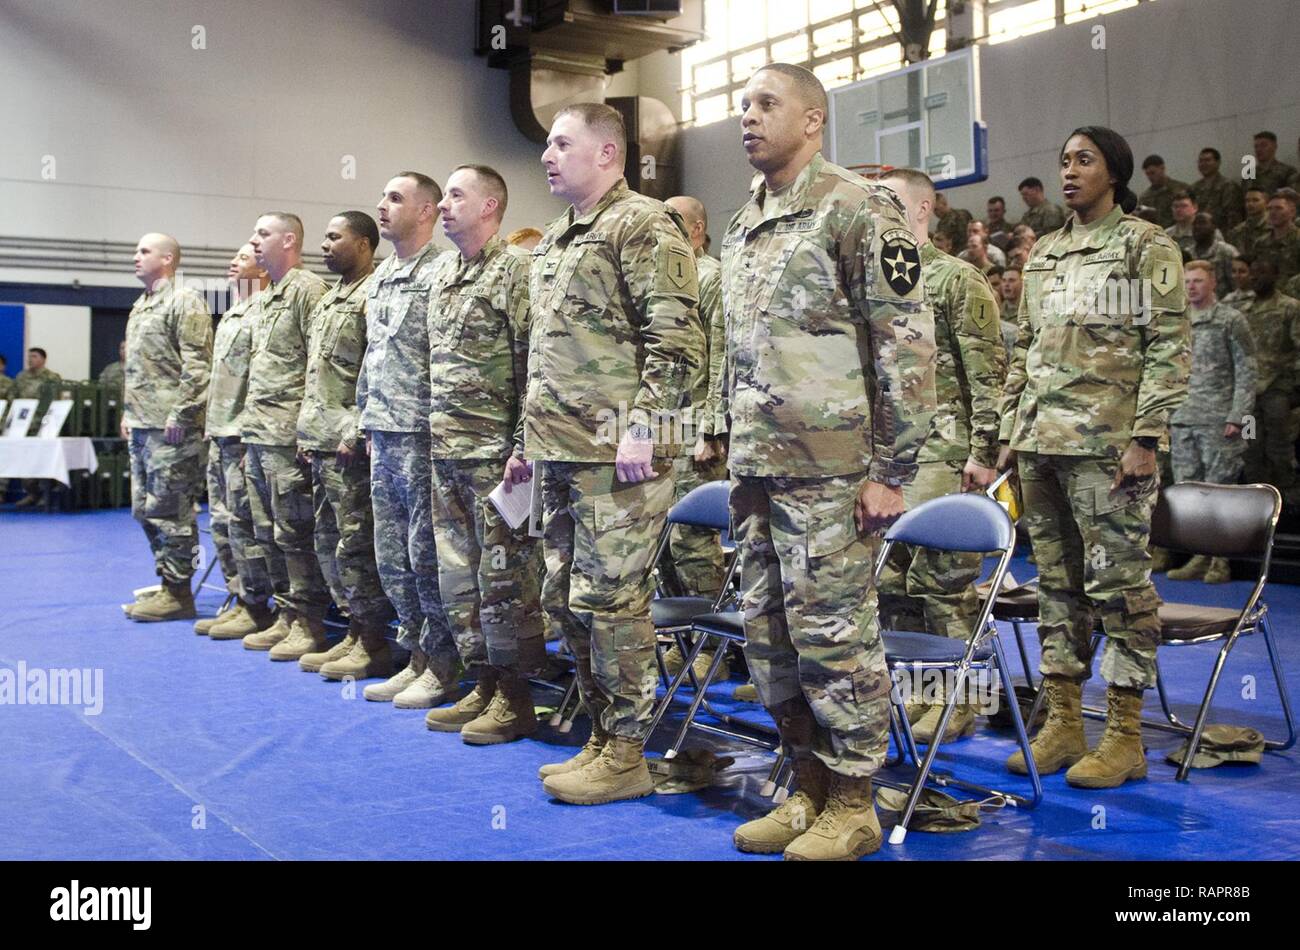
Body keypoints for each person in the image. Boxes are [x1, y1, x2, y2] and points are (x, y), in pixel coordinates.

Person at [720, 64, 936, 860]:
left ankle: (854, 802)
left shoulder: (858, 206)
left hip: (833, 470)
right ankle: (807, 785)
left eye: (766, 103)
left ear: (813, 120)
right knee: (769, 635)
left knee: (835, 639)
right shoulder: (745, 219)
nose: (748, 117)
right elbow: (739, 344)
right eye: (743, 105)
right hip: (758, 466)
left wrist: (892, 471)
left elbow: (906, 344)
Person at [508, 102, 704, 805]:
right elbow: (545, 356)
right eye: (548, 144)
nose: (547, 155)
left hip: (619, 454)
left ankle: (627, 752)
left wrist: (647, 425)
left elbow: (676, 338)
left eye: (563, 143)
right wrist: (525, 442)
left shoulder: (643, 223)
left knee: (613, 603)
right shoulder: (558, 238)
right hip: (560, 450)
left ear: (607, 154)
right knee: (567, 599)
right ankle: (600, 736)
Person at [999, 126, 1189, 789]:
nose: (1070, 171)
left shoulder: (1146, 245)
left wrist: (1147, 437)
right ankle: (1063, 722)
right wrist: (1009, 428)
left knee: (1119, 588)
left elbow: (1169, 342)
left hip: (1109, 448)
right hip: (1041, 442)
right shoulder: (1045, 251)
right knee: (1056, 584)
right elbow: (1026, 345)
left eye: (1085, 160)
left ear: (1115, 172)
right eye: (1064, 161)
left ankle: (1126, 736)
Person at [878, 167, 1006, 743]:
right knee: (894, 581)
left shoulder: (958, 280)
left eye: (890, 203)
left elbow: (988, 372)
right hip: (891, 455)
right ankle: (920, 691)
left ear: (923, 209)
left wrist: (984, 451)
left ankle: (962, 700)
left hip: (945, 451)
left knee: (942, 581)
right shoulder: (877, 284)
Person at [422, 165, 546, 743]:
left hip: (499, 459)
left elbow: (533, 363)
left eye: (456, 195)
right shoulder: (444, 273)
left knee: (504, 580)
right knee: (458, 578)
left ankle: (516, 698)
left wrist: (522, 444)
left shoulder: (516, 270)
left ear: (490, 205)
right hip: (446, 453)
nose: (443, 205)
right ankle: (484, 682)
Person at [358, 172, 461, 709]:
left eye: (395, 198)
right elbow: (373, 355)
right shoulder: (381, 276)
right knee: (392, 555)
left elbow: (449, 355)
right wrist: (366, 419)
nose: (382, 205)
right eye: (383, 196)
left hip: (423, 435)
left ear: (427, 211)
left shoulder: (444, 270)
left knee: (427, 556)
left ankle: (442, 665)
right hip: (385, 432)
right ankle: (415, 654)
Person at [294, 212, 398, 679]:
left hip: (347, 444)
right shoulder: (329, 299)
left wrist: (356, 430)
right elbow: (316, 373)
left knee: (357, 543)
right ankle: (354, 629)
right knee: (328, 541)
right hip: (320, 439)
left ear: (363, 244)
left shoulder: (374, 294)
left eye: (335, 237)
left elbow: (378, 369)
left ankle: (373, 639)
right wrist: (305, 431)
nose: (324, 244)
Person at [237, 212, 330, 657]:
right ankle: (286, 615)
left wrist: (307, 431)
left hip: (288, 434)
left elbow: (319, 363)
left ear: (290, 240)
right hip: (260, 433)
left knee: (295, 531)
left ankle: (309, 623)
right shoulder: (266, 296)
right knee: (267, 530)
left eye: (264, 233)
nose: (254, 240)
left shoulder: (308, 290)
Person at [121, 234, 214, 622]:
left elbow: (198, 366)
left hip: (171, 428)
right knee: (144, 509)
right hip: (142, 424)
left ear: (168, 258)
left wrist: (182, 414)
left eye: (144, 251)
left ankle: (179, 593)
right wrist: (127, 412)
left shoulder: (184, 300)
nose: (136, 256)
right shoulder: (141, 305)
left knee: (171, 511)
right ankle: (166, 583)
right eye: (136, 250)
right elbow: (137, 367)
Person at [658, 193, 730, 683]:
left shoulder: (711, 278)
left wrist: (712, 427)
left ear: (698, 230)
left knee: (693, 541)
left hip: (695, 427)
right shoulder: (662, 279)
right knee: (663, 543)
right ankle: (685, 639)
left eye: (674, 224)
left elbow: (723, 354)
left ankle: (714, 648)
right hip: (663, 426)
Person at [201, 244, 279, 640]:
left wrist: (252, 435)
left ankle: (257, 605)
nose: (233, 262)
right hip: (220, 432)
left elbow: (263, 380)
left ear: (263, 268)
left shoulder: (265, 311)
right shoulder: (232, 313)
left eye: (244, 257)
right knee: (222, 522)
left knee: (245, 524)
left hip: (243, 433)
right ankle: (239, 597)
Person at [1167, 261, 1255, 584]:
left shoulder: (1230, 320)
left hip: (1219, 420)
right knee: (1190, 496)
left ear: (1213, 283)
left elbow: (1247, 370)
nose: (1191, 286)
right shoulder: (1177, 321)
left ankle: (1221, 562)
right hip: (1182, 419)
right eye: (1187, 281)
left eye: (1198, 280)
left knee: (1220, 495)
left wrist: (1239, 416)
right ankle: (1199, 556)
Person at [1239, 258, 1300, 496]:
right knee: (1249, 444)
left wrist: (1296, 385)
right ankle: (1254, 495)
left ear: (1275, 275)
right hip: (1248, 396)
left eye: (1262, 272)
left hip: (1277, 390)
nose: (1255, 278)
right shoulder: (1243, 310)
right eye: (1253, 273)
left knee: (1279, 445)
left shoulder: (1290, 308)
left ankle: (1286, 497)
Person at [11, 348, 63, 507]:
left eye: (34, 356)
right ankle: (32, 493)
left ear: (43, 359)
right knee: (24, 461)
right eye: (29, 356)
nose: (30, 359)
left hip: (43, 426)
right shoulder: (21, 377)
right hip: (23, 426)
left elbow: (56, 402)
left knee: (43, 461)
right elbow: (13, 397)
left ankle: (46, 495)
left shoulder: (51, 378)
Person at [1189, 147, 1244, 231]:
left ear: (1218, 163)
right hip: (1198, 234)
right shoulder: (1194, 188)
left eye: (1207, 160)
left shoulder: (1229, 186)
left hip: (1222, 233)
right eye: (1200, 161)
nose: (1203, 164)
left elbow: (1233, 217)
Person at [1253, 191, 1300, 283]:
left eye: (1279, 208)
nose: (1272, 213)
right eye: (1269, 209)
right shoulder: (1260, 243)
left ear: (1292, 212)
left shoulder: (1297, 240)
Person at [1187, 212, 1238, 290]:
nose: (1197, 227)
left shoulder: (1227, 252)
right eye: (1194, 224)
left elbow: (1237, 285)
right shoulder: (1187, 253)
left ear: (1213, 226)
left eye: (1202, 223)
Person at [1138, 155, 1190, 229]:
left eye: (1153, 173)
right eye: (1147, 174)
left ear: (1162, 168)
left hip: (1179, 231)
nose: (1150, 177)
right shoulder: (1145, 196)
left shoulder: (1181, 189)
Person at [1251, 131, 1299, 199]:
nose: (1258, 149)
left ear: (1275, 147)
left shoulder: (1288, 172)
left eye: (1263, 145)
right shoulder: (1250, 173)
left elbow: (1292, 198)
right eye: (1256, 146)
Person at [1227, 186, 1269, 260]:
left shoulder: (1274, 227)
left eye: (1255, 200)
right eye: (1247, 201)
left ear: (1267, 203)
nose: (1250, 204)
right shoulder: (1238, 230)